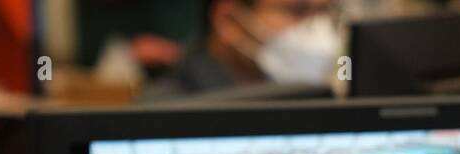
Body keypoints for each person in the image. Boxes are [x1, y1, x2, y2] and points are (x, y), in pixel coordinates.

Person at [144, 0, 343, 98]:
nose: (317, 27)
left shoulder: (305, 96)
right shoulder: (163, 114)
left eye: (323, 12)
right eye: (297, 11)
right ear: (228, 22)